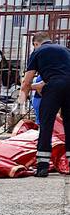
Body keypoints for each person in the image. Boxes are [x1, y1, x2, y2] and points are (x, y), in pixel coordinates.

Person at [19, 38, 70, 177]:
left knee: (46, 124)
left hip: (53, 88)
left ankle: (42, 166)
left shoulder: (38, 52)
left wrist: (22, 94)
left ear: (36, 43)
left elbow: (28, 80)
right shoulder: (65, 50)